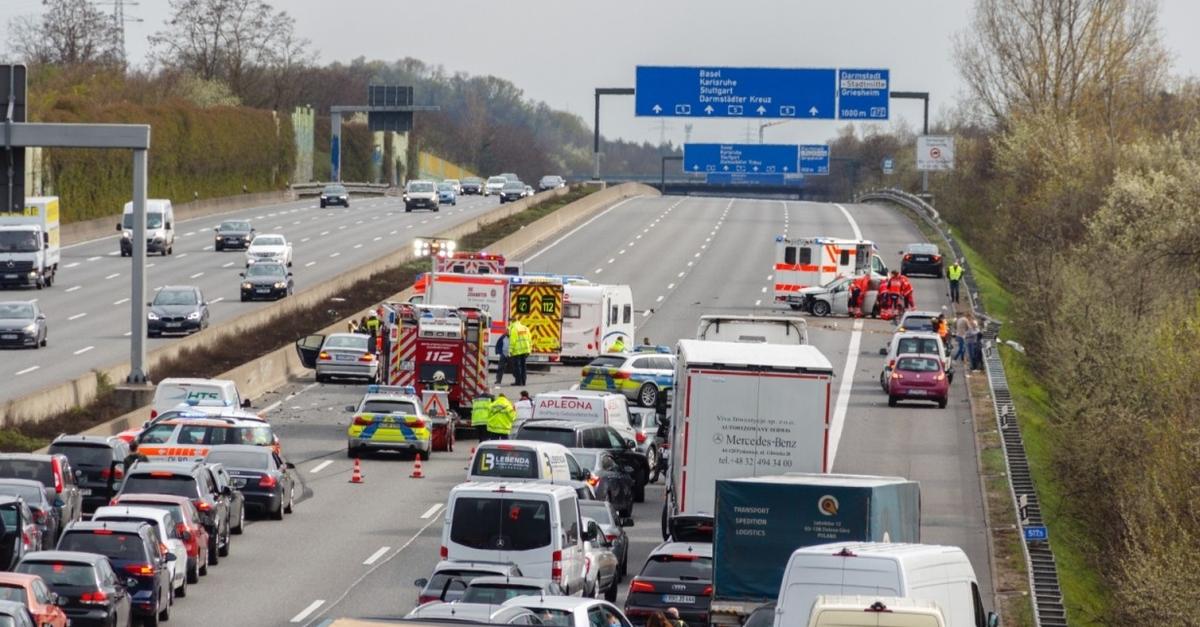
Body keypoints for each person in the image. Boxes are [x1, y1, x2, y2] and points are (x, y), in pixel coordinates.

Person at [508, 320, 532, 386]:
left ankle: (518, 382)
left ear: (512, 323)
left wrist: (510, 351)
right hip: (525, 350)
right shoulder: (525, 328)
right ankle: (523, 382)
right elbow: (530, 339)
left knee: (517, 367)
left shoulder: (514, 329)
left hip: (517, 351)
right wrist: (530, 350)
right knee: (523, 366)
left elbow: (512, 341)